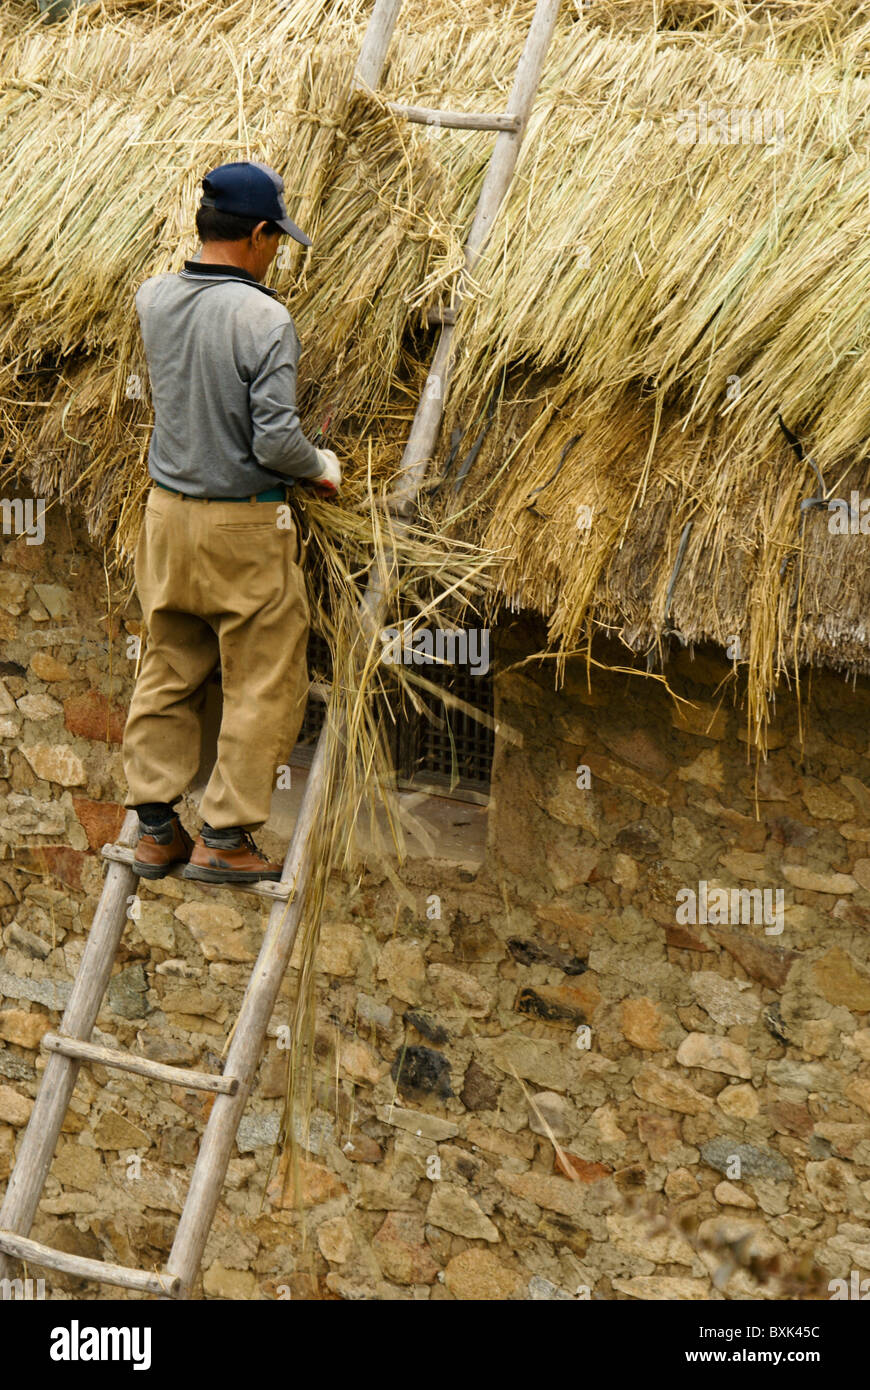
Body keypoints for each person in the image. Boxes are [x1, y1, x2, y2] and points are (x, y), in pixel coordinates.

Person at [121, 160, 340, 884]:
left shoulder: (153, 298)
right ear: (255, 234)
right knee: (264, 677)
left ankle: (156, 829)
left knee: (169, 663)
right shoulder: (264, 318)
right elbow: (274, 442)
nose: (276, 251)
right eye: (275, 239)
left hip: (166, 518)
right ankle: (225, 835)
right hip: (242, 529)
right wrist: (321, 467)